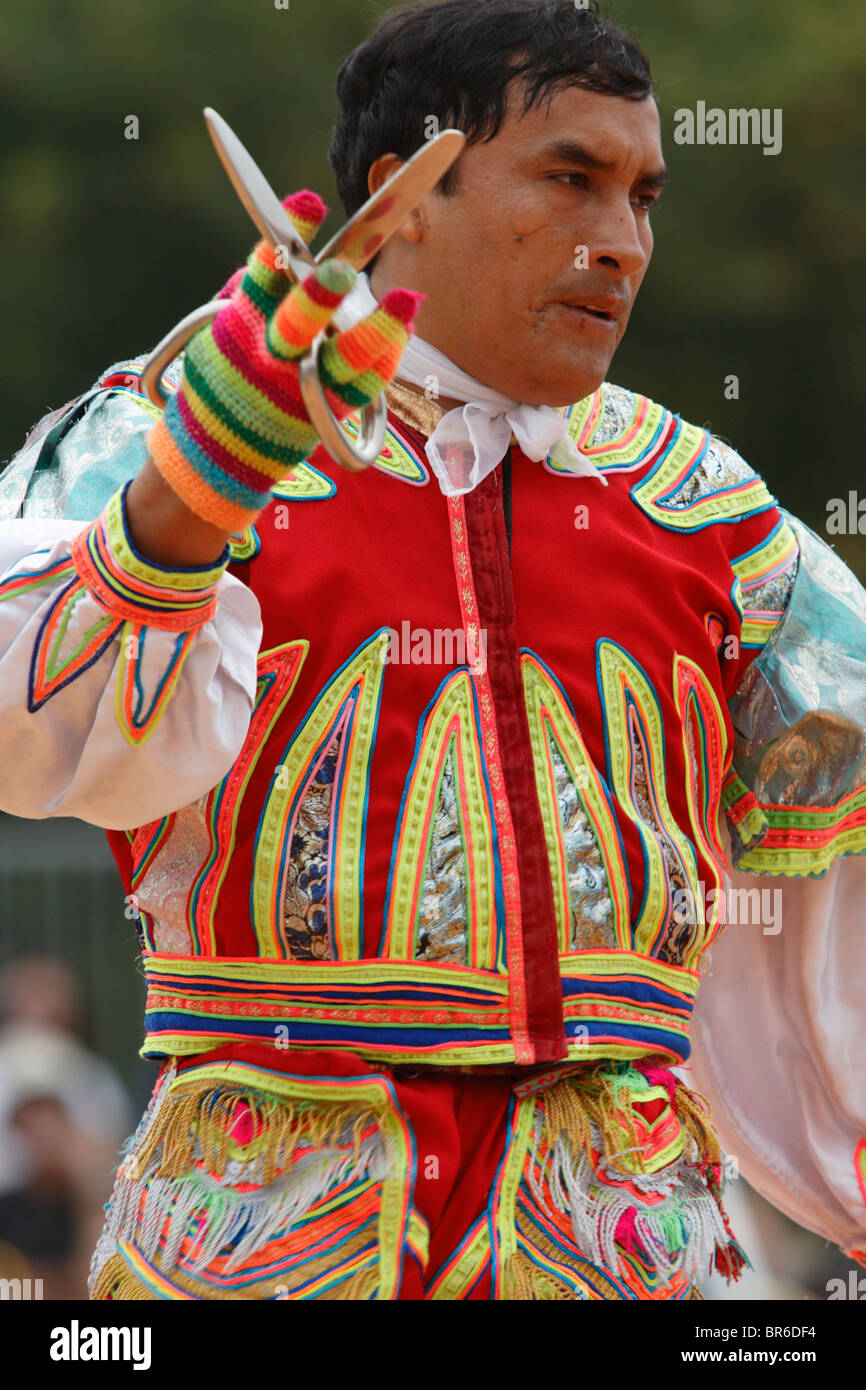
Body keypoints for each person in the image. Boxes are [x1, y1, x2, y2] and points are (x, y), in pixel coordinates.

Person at [0, 0, 864, 1301]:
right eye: (569, 179)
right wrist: (200, 482)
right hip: (269, 1228)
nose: (620, 242)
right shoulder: (191, 423)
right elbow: (26, 733)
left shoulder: (708, 508)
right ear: (401, 199)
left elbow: (839, 887)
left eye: (642, 195)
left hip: (614, 1232)